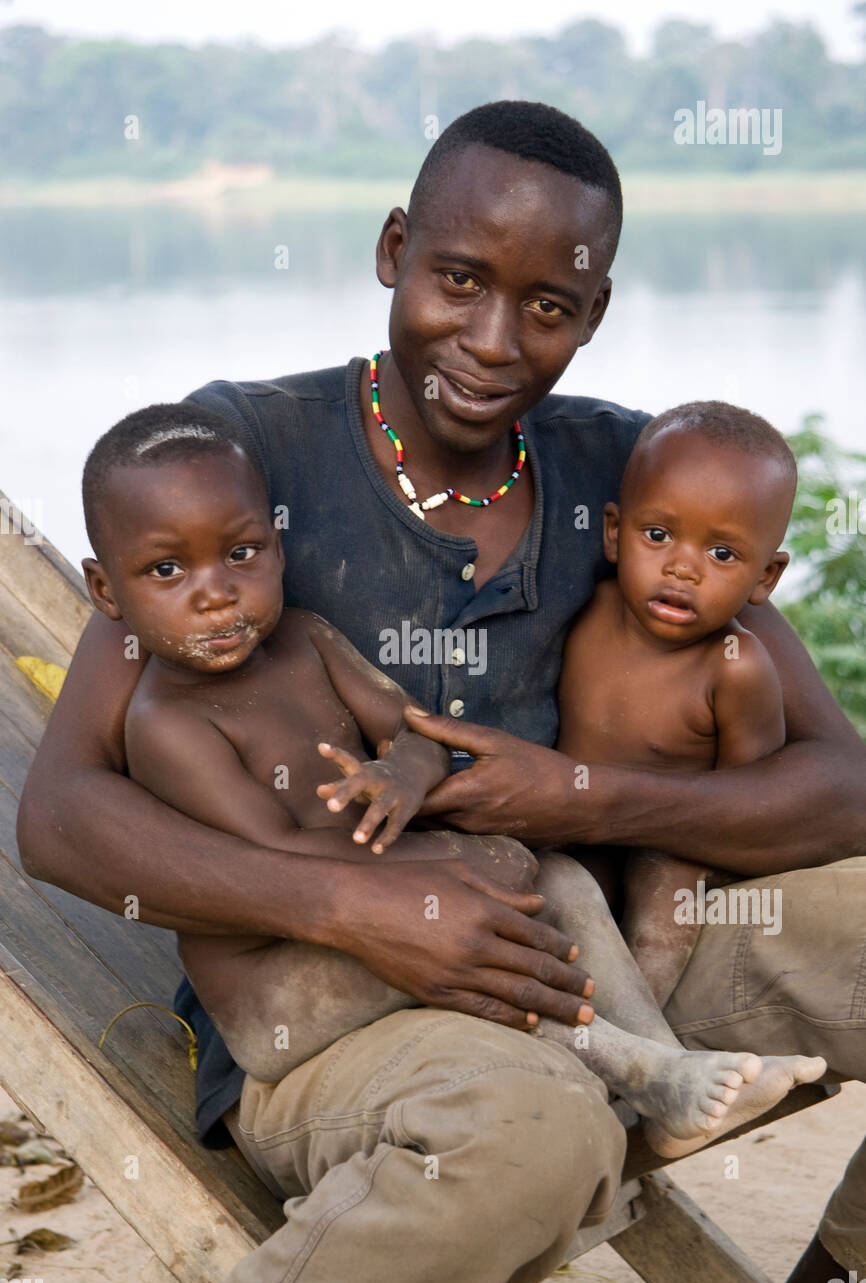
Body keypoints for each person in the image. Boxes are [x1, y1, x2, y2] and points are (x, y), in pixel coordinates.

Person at [17, 100, 866, 1283]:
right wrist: (359, 902)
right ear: (390, 251)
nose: (490, 338)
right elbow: (61, 818)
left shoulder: (629, 482)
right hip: (335, 1009)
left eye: (546, 307)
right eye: (456, 279)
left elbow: (841, 789)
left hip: (622, 952)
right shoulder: (234, 458)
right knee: (535, 1137)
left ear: (593, 313)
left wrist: (575, 799)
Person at [78, 398, 825, 1164]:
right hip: (284, 980)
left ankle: (666, 1063)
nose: (216, 592)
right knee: (486, 917)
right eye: (168, 571)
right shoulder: (165, 725)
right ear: (107, 594)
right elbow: (278, 864)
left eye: (240, 554)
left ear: (276, 543)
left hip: (386, 905)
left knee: (558, 877)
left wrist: (403, 771)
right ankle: (634, 1066)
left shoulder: (305, 637)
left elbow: (416, 728)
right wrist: (448, 869)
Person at [556, 398, 796, 1007]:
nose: (682, 568)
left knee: (670, 883)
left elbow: (747, 808)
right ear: (615, 533)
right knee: (547, 882)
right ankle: (576, 1032)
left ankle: (648, 1030)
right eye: (658, 535)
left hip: (672, 843)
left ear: (765, 578)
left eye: (722, 555)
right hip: (568, 831)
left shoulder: (736, 669)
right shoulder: (588, 609)